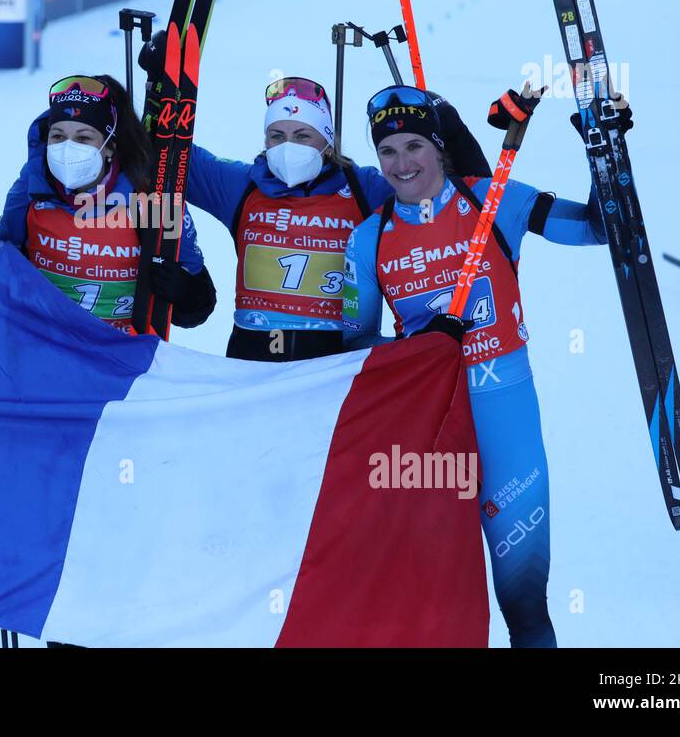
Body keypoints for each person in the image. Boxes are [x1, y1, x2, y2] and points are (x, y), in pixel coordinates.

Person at [341, 83, 618, 647]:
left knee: (524, 603)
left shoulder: (492, 202)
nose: (401, 163)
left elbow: (598, 227)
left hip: (505, 420)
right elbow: (355, 347)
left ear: (440, 148)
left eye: (414, 145)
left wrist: (603, 148)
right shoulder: (368, 240)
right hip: (426, 435)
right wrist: (414, 350)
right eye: (387, 152)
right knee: (433, 603)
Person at [169, 65, 487, 362]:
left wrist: (450, 130)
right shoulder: (243, 185)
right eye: (277, 136)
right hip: (252, 365)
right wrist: (163, 91)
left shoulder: (364, 189)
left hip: (333, 373)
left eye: (303, 136)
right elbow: (168, 154)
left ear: (327, 140)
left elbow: (461, 201)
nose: (288, 146)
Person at [0, 74, 216, 335]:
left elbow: (198, 303)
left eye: (83, 138)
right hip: (46, 352)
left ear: (110, 146)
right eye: (58, 136)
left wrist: (184, 292)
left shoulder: (150, 197)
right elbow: (7, 268)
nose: (67, 149)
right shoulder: (32, 184)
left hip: (121, 361)